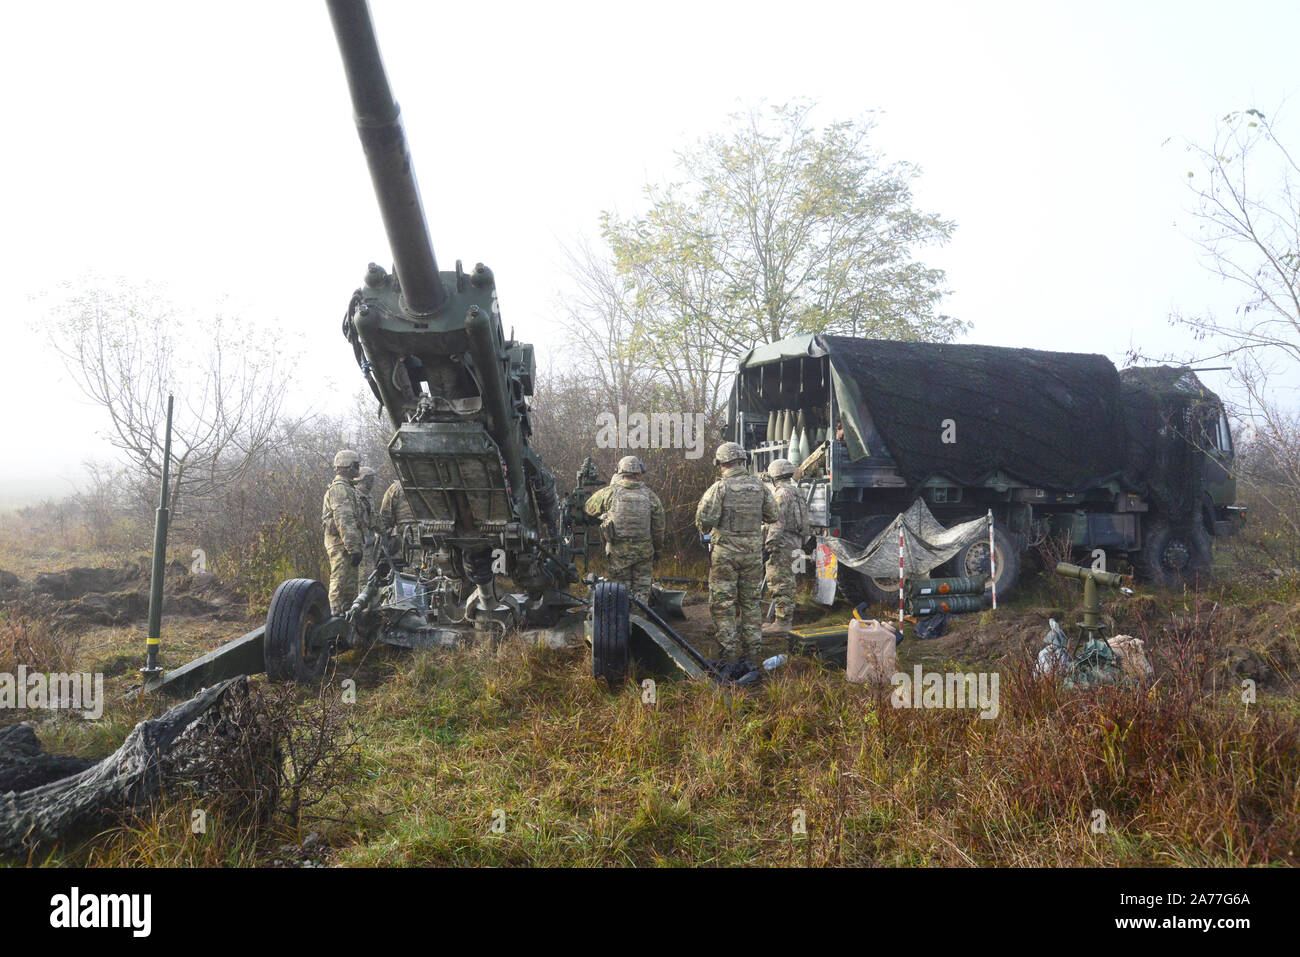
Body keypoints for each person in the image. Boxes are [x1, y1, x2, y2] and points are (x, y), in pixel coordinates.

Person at [695, 442, 778, 663]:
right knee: (751, 603)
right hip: (751, 554)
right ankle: (753, 653)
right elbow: (773, 515)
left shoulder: (720, 488)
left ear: (722, 463)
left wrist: (708, 529)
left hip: (725, 556)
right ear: (743, 461)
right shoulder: (759, 486)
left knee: (724, 604)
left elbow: (704, 520)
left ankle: (729, 655)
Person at [583, 455, 665, 603]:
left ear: (620, 472)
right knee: (642, 594)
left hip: (618, 553)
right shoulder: (651, 497)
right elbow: (658, 530)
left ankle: (622, 623)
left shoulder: (609, 493)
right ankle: (639, 623)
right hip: (644, 553)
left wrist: (606, 513)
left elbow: (589, 507)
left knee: (619, 593)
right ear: (639, 473)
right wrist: (657, 551)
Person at [761, 458, 811, 635]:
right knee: (789, 581)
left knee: (779, 581)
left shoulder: (780, 494)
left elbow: (776, 523)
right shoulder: (798, 492)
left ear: (774, 475)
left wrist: (769, 545)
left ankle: (782, 623)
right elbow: (805, 521)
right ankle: (784, 619)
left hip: (782, 542)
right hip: (795, 541)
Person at [322, 450, 365, 614]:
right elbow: (344, 520)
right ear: (347, 466)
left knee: (349, 587)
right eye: (355, 466)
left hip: (346, 544)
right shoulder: (340, 489)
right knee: (339, 583)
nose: (357, 470)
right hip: (341, 545)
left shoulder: (348, 488)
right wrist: (354, 548)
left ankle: (346, 624)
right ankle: (334, 620)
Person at [352, 465, 381, 572]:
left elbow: (373, 517)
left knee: (370, 573)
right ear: (363, 479)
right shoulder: (355, 495)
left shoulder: (368, 497)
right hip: (360, 542)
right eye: (370, 479)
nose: (372, 482)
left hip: (369, 542)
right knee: (363, 575)